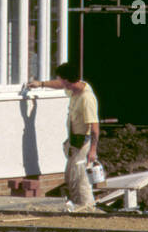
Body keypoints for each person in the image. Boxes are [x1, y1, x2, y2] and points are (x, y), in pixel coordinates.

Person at [27, 62, 100, 207]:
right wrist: (40, 84)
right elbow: (59, 85)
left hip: (83, 143)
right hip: (74, 141)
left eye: (61, 79)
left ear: (67, 80)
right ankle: (78, 205)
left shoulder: (86, 98)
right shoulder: (74, 89)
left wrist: (93, 150)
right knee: (71, 177)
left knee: (80, 179)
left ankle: (87, 208)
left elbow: (95, 128)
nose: (59, 82)